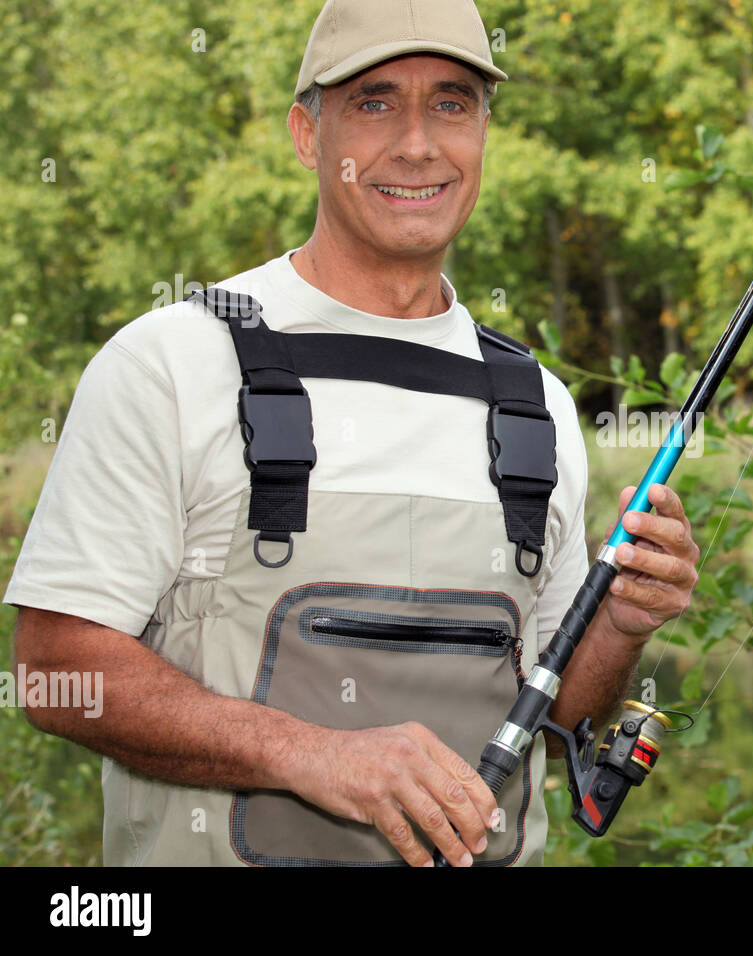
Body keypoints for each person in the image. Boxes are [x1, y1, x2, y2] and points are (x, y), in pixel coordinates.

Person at [4, 0, 700, 867]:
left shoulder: (538, 406)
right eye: (374, 102)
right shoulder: (171, 363)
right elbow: (52, 672)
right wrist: (306, 753)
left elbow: (562, 718)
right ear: (306, 132)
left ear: (484, 133)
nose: (417, 143)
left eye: (452, 103)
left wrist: (625, 624)